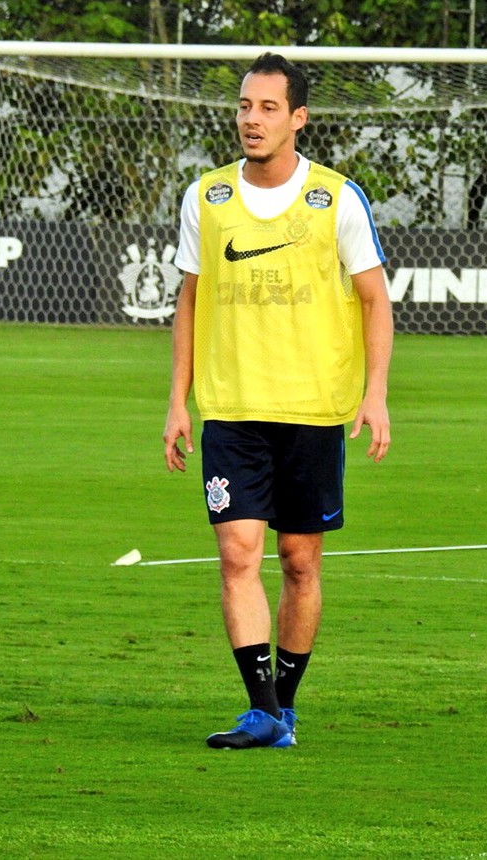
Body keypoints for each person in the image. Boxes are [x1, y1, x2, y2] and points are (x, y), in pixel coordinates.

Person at [163, 52, 393, 750]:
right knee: (238, 553)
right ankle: (260, 710)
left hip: (314, 409)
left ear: (298, 117)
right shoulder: (205, 198)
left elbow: (375, 300)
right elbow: (190, 298)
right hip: (231, 407)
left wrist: (375, 394)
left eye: (267, 108)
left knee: (299, 561)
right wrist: (178, 400)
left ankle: (283, 707)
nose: (250, 119)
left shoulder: (337, 199)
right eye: (243, 106)